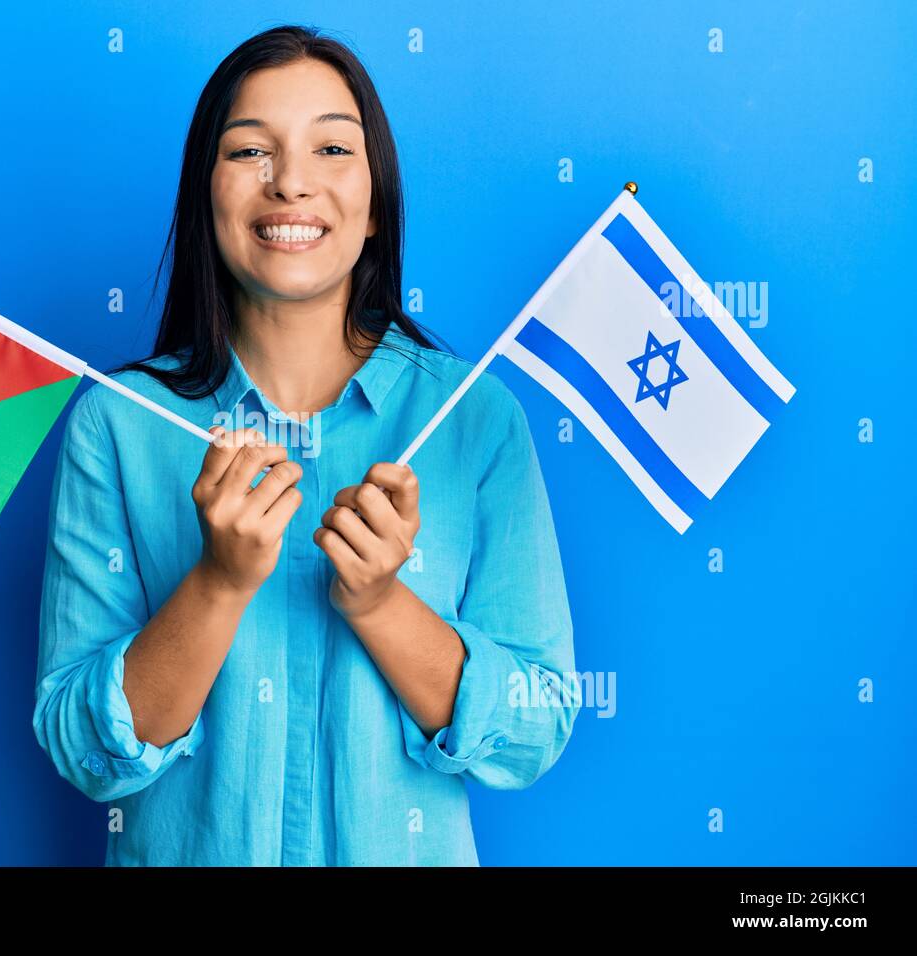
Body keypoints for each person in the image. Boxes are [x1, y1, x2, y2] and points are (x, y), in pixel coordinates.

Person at [32, 24, 579, 866]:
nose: (290, 183)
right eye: (250, 151)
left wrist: (381, 603)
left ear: (374, 202)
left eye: (331, 147)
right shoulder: (118, 423)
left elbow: (533, 733)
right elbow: (83, 751)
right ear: (204, 196)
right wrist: (217, 583)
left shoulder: (477, 418)